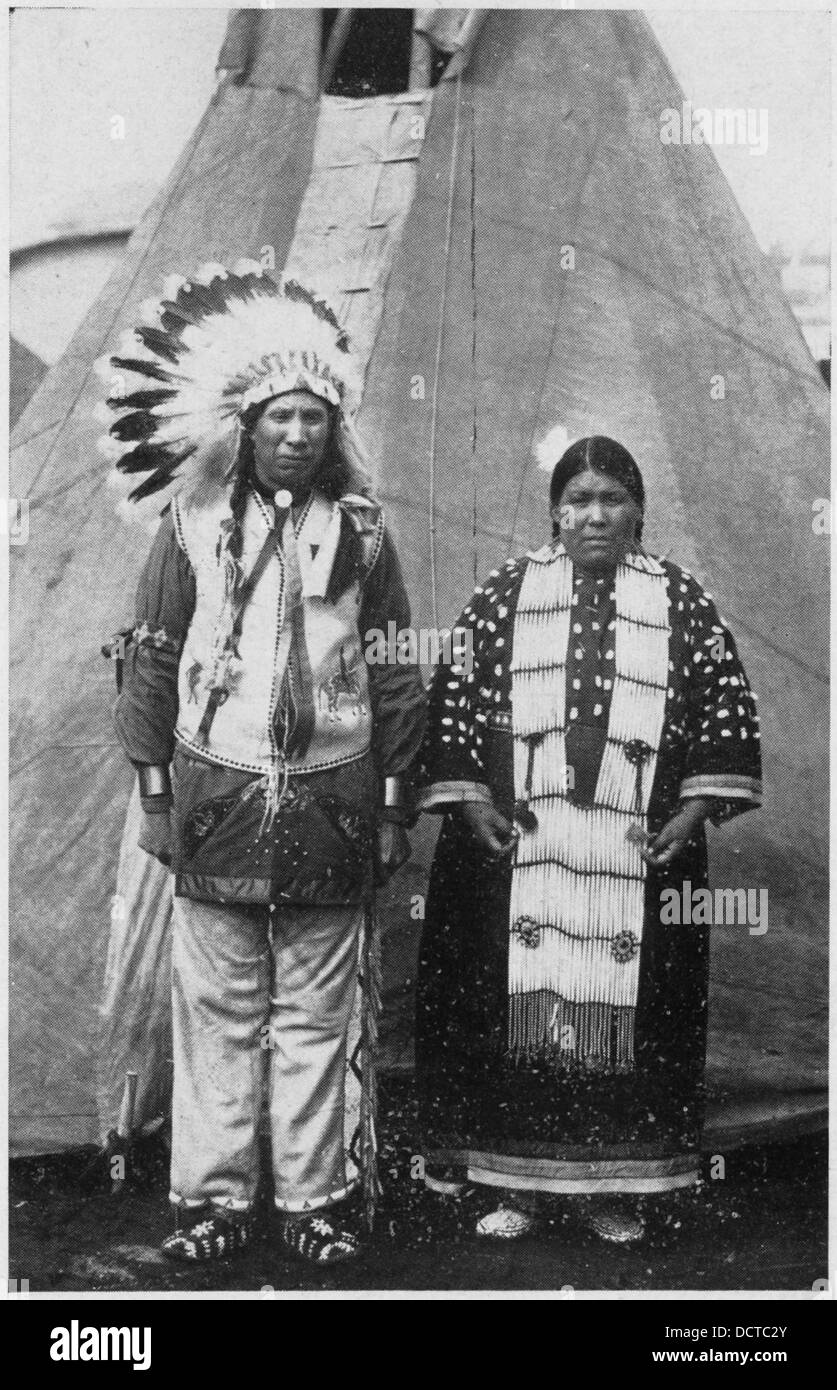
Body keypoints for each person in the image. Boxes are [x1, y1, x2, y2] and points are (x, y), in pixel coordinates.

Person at [102, 263, 425, 1264]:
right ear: (247, 427)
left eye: (314, 420)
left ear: (335, 432)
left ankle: (315, 1201)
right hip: (214, 792)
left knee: (319, 1005)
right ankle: (213, 1201)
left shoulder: (365, 533)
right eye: (280, 418)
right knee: (219, 1006)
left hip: (334, 793)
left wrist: (392, 806)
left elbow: (396, 670)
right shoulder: (191, 525)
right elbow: (152, 656)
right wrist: (154, 794)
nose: (297, 435)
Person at [415, 434, 762, 1244]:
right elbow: (454, 704)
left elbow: (723, 708)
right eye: (578, 501)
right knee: (517, 1008)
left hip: (639, 850)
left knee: (632, 1016)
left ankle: (615, 1189)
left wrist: (686, 817)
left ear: (638, 511)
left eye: (611, 500)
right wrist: (473, 811)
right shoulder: (505, 594)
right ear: (554, 512)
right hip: (519, 846)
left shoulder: (679, 599)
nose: (594, 516)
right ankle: (516, 1184)